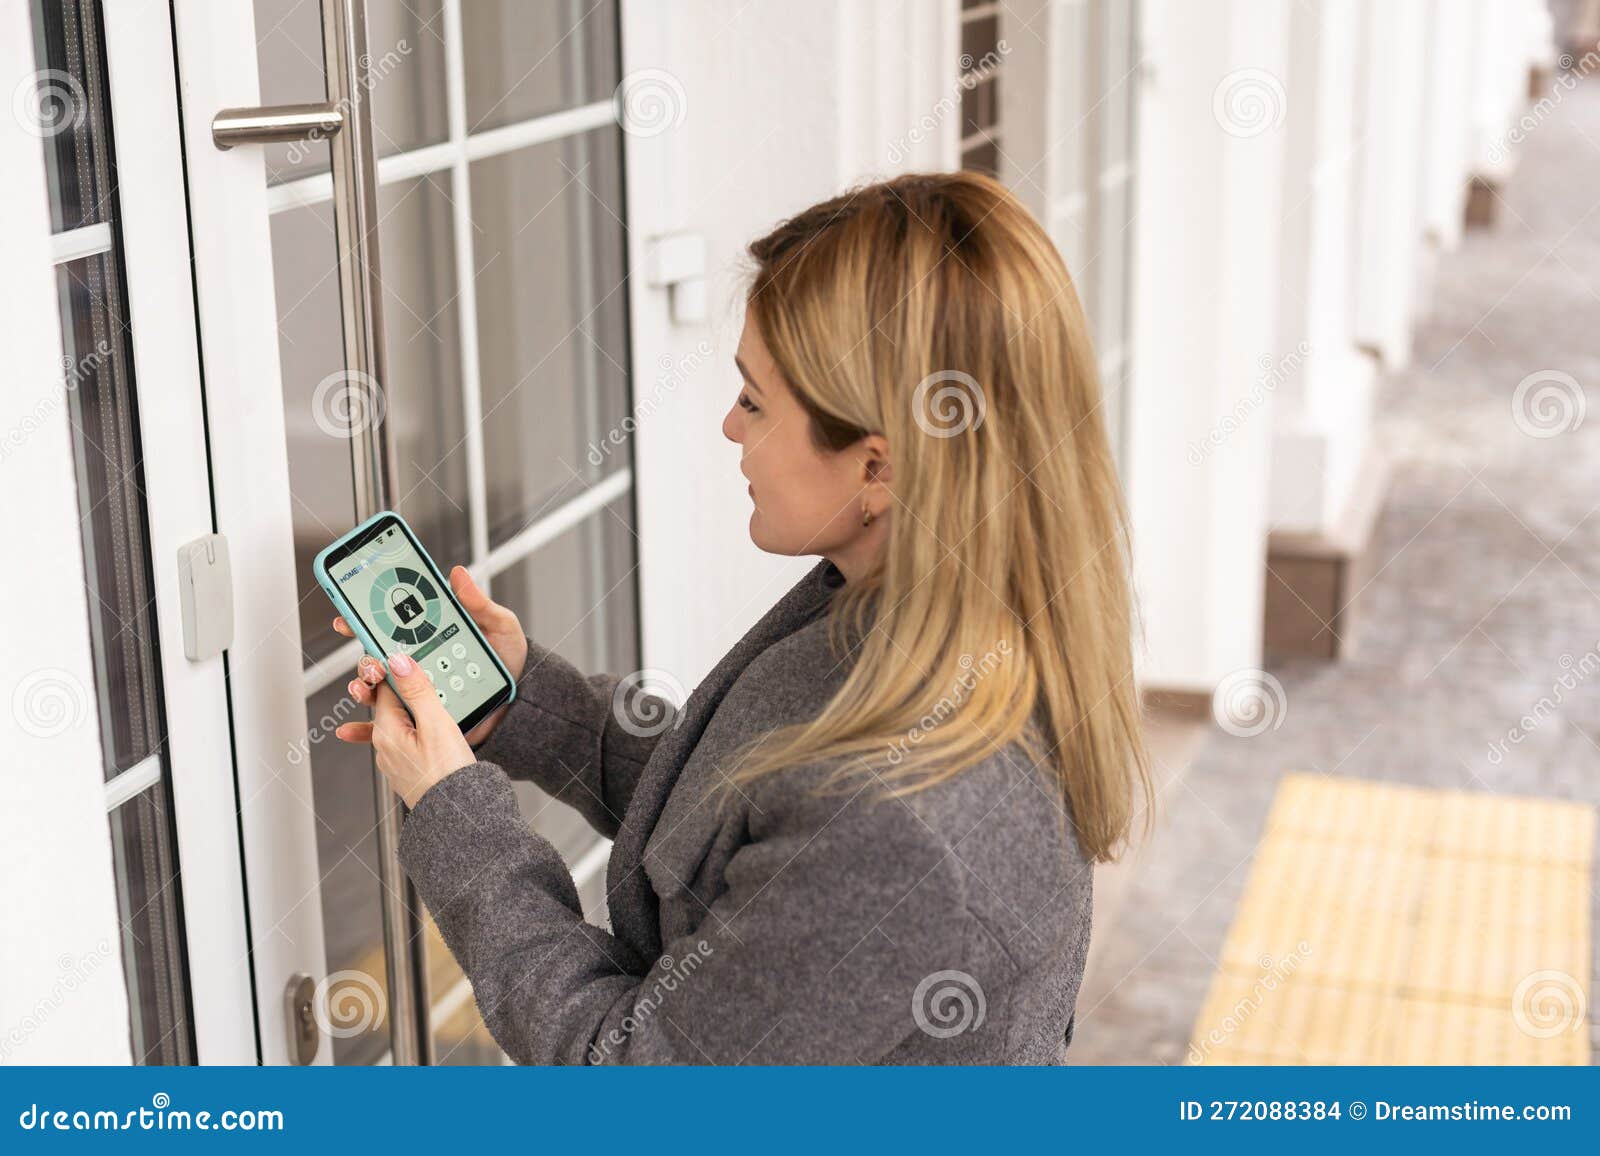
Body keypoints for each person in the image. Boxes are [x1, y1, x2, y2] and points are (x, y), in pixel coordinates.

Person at [335, 169, 1150, 1064]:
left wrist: (456, 815)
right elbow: (746, 816)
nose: (729, 425)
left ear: (878, 469)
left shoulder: (900, 826)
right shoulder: (918, 609)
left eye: (755, 401)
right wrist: (528, 706)